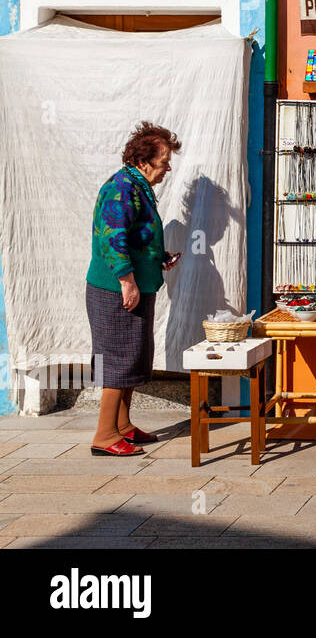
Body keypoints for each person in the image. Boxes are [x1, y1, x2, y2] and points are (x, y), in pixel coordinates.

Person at [85, 122, 183, 456]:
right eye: (164, 160)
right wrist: (127, 282)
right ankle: (104, 435)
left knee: (133, 356)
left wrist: (158, 256)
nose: (168, 167)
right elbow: (112, 239)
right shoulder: (122, 188)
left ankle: (122, 426)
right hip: (114, 290)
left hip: (134, 286)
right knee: (117, 360)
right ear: (143, 160)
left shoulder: (137, 186)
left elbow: (135, 236)